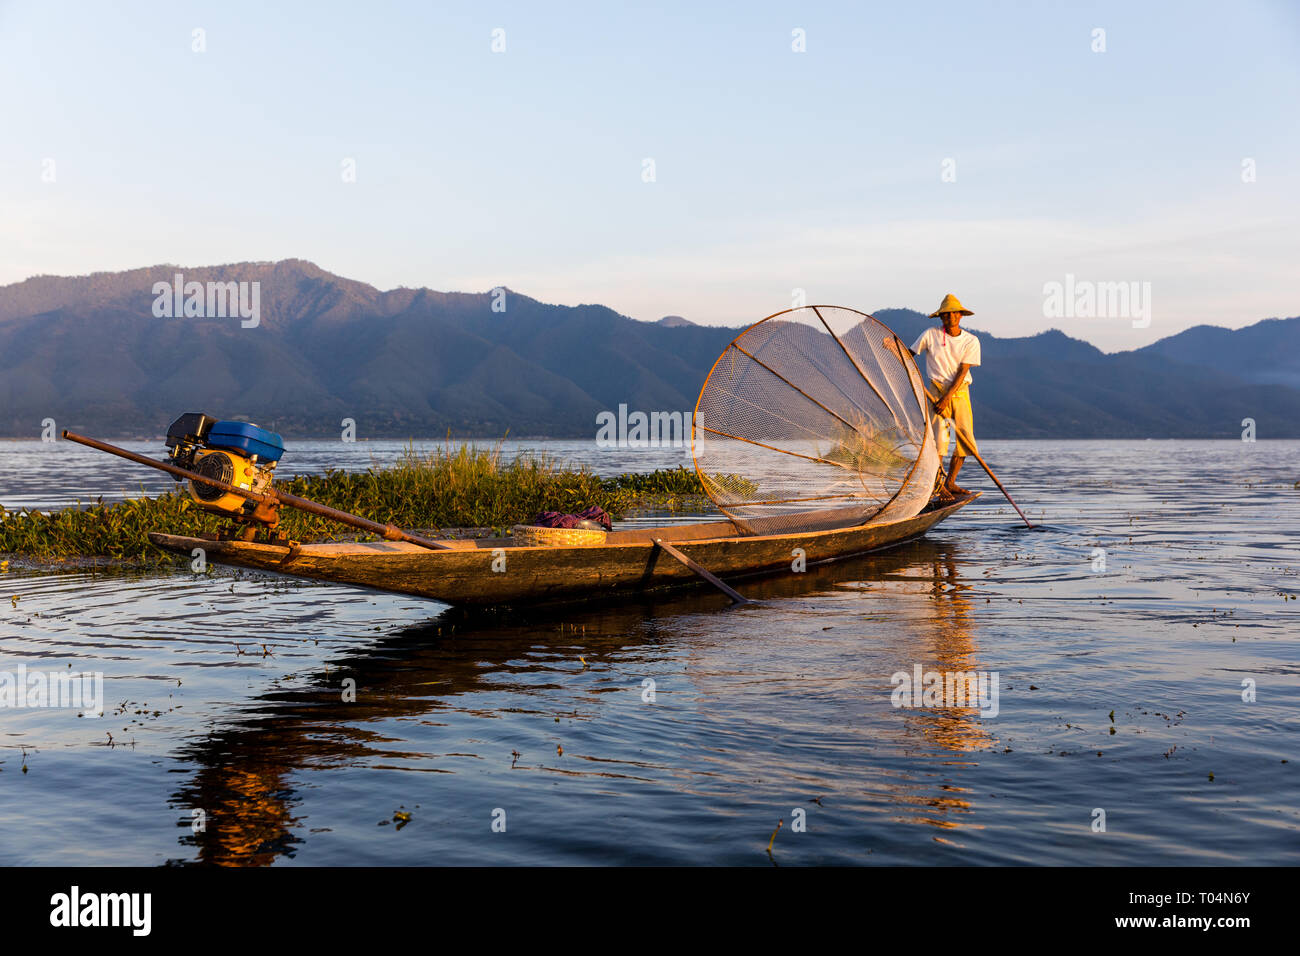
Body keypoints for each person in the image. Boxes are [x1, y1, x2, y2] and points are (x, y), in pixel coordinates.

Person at [910, 294, 981, 498]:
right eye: (946, 314)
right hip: (936, 389)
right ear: (941, 317)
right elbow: (909, 353)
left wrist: (947, 398)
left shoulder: (970, 341)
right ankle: (938, 485)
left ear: (960, 315)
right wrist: (892, 347)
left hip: (958, 392)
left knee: (966, 440)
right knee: (939, 439)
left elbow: (962, 371)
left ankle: (950, 482)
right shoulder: (930, 334)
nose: (950, 317)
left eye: (954, 313)